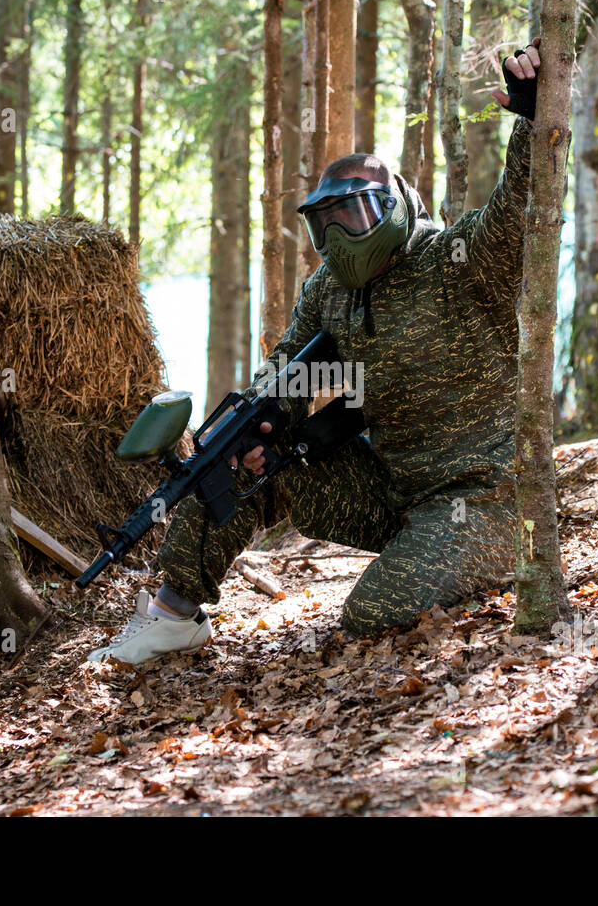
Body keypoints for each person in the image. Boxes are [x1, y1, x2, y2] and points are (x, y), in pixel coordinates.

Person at [88, 43, 543, 665]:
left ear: (393, 206)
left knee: (370, 618)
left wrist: (532, 117)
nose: (336, 237)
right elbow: (285, 373)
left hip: (481, 501)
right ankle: (172, 614)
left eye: (352, 215)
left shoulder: (459, 262)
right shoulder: (328, 291)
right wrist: (265, 428)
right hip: (388, 491)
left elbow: (521, 209)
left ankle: (465, 561)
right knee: (221, 459)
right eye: (322, 223)